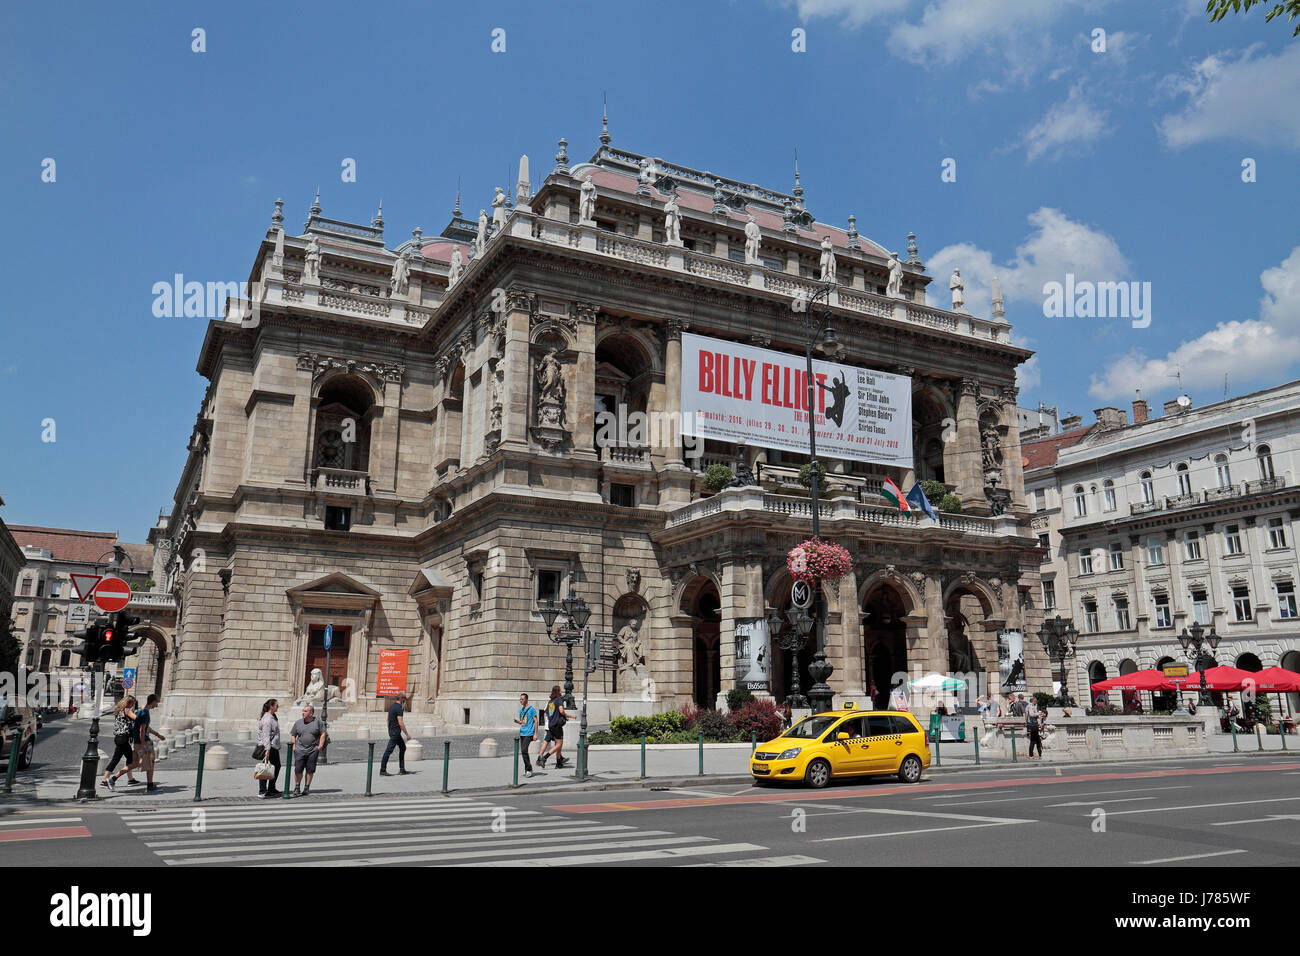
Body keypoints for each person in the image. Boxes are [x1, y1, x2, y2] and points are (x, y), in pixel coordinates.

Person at [102, 696, 140, 789]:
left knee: (116, 759)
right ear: (129, 703)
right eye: (132, 704)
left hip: (119, 738)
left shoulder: (118, 711)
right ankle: (115, 780)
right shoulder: (126, 710)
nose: (132, 706)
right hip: (123, 738)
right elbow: (137, 719)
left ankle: (104, 780)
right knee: (132, 760)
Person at [537, 685, 577, 770]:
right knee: (559, 744)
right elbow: (561, 711)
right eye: (560, 690)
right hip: (557, 725)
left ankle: (559, 763)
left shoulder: (550, 702)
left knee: (557, 744)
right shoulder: (559, 700)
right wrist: (570, 716)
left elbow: (547, 713)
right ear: (558, 692)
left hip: (551, 725)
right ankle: (544, 758)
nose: (561, 692)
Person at [290, 703, 327, 796]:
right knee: (298, 769)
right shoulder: (298, 723)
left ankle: (306, 787)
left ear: (311, 713)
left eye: (305, 711)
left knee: (310, 770)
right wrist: (294, 747)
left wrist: (320, 746)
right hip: (299, 750)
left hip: (313, 750)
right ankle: (297, 787)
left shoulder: (318, 722)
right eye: (303, 711)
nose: (303, 712)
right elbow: (293, 735)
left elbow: (323, 733)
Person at [134, 694, 166, 792]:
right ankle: (113, 779)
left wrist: (158, 735)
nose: (157, 703)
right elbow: (142, 730)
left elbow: (146, 728)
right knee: (147, 762)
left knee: (141, 763)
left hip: (142, 741)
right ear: (153, 702)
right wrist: (143, 744)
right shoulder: (145, 713)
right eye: (157, 701)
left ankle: (150, 784)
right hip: (145, 743)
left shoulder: (143, 711)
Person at [380, 693, 411, 776]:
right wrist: (407, 734)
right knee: (388, 751)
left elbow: (388, 719)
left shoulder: (392, 706)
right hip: (396, 733)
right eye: (404, 698)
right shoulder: (399, 708)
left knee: (402, 747)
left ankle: (402, 769)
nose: (405, 700)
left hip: (393, 731)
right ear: (401, 698)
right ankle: (382, 770)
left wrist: (390, 729)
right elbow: (401, 723)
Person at [257, 699, 281, 798]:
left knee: (275, 767)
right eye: (276, 705)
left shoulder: (272, 717)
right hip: (269, 747)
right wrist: (267, 750)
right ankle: (262, 791)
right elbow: (265, 735)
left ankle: (271, 788)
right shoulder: (267, 719)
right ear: (271, 706)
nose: (277, 707)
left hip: (273, 746)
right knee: (265, 768)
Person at [514, 692, 538, 777]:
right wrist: (518, 722)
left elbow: (535, 721)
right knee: (524, 752)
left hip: (529, 733)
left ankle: (529, 769)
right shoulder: (521, 710)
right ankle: (527, 769)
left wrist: (535, 734)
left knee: (524, 750)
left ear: (526, 699)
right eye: (520, 699)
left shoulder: (532, 709)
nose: (521, 700)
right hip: (522, 732)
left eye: (522, 699)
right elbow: (523, 722)